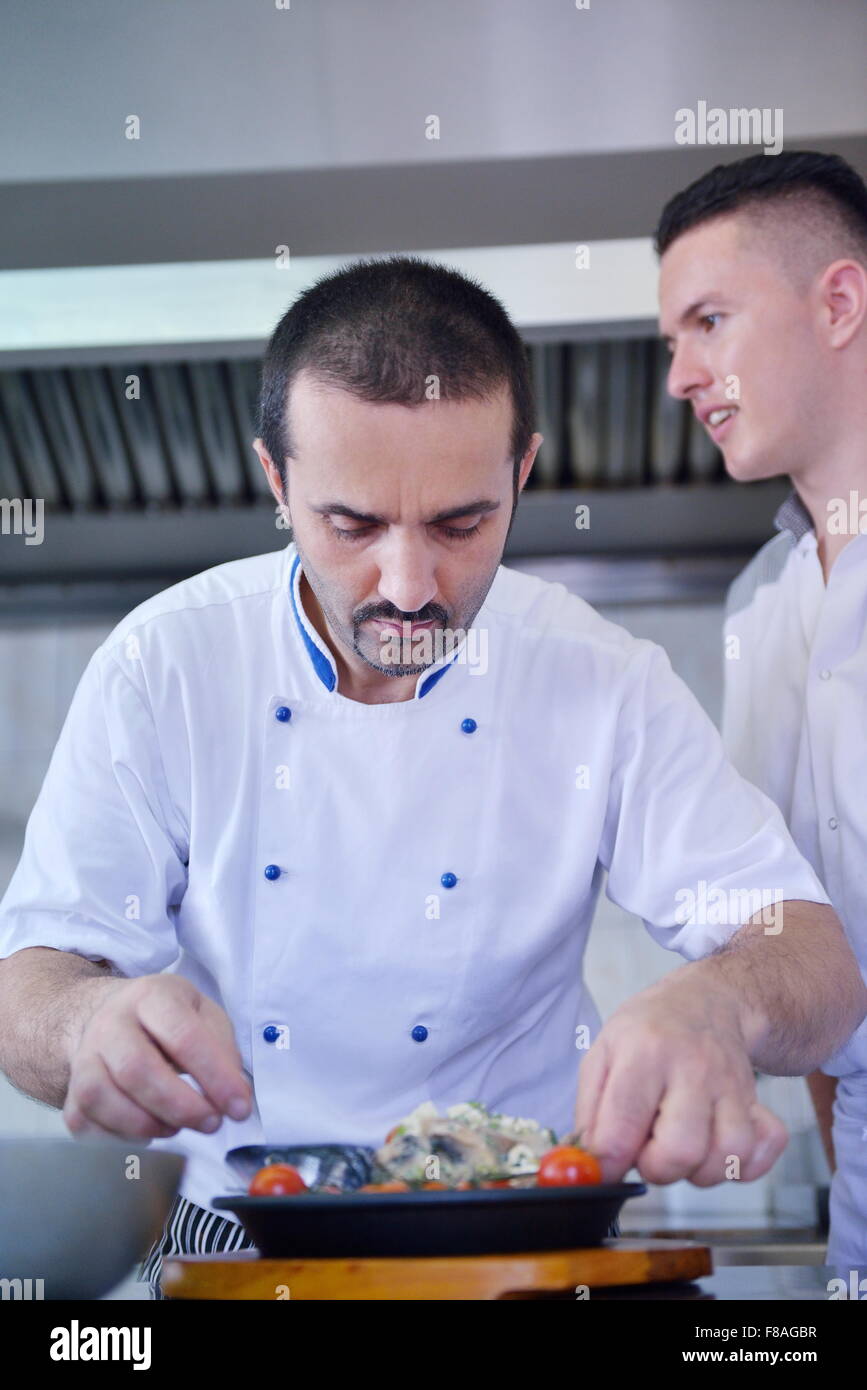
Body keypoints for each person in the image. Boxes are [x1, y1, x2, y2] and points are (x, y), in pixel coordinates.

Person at [0, 256, 863, 1298]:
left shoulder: (601, 679)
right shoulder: (166, 665)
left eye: (461, 524)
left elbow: (814, 955)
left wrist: (719, 1000)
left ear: (523, 473)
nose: (410, 590)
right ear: (276, 481)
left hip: (526, 1244)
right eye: (352, 525)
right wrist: (85, 1023)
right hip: (236, 1251)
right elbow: (30, 987)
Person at [656, 149, 867, 1269]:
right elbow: (816, 952)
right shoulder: (761, 609)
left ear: (838, 302)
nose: (683, 376)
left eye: (710, 321)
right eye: (671, 344)